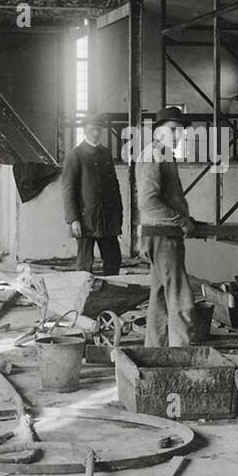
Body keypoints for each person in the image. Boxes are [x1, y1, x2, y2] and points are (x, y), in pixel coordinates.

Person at [136, 106, 199, 347]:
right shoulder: (154, 154)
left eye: (180, 131)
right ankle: (180, 357)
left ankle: (155, 352)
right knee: (181, 299)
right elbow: (148, 202)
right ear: (158, 130)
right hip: (163, 236)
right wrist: (181, 220)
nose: (177, 135)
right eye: (172, 129)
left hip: (161, 234)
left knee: (161, 298)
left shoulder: (161, 154)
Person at [62, 113, 123, 276]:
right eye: (92, 129)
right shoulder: (75, 155)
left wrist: (117, 217)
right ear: (85, 130)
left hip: (107, 219)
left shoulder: (105, 154)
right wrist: (73, 219)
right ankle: (83, 296)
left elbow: (114, 186)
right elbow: (68, 189)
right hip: (85, 219)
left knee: (113, 259)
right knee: (84, 262)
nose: (96, 133)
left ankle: (110, 295)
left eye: (99, 129)